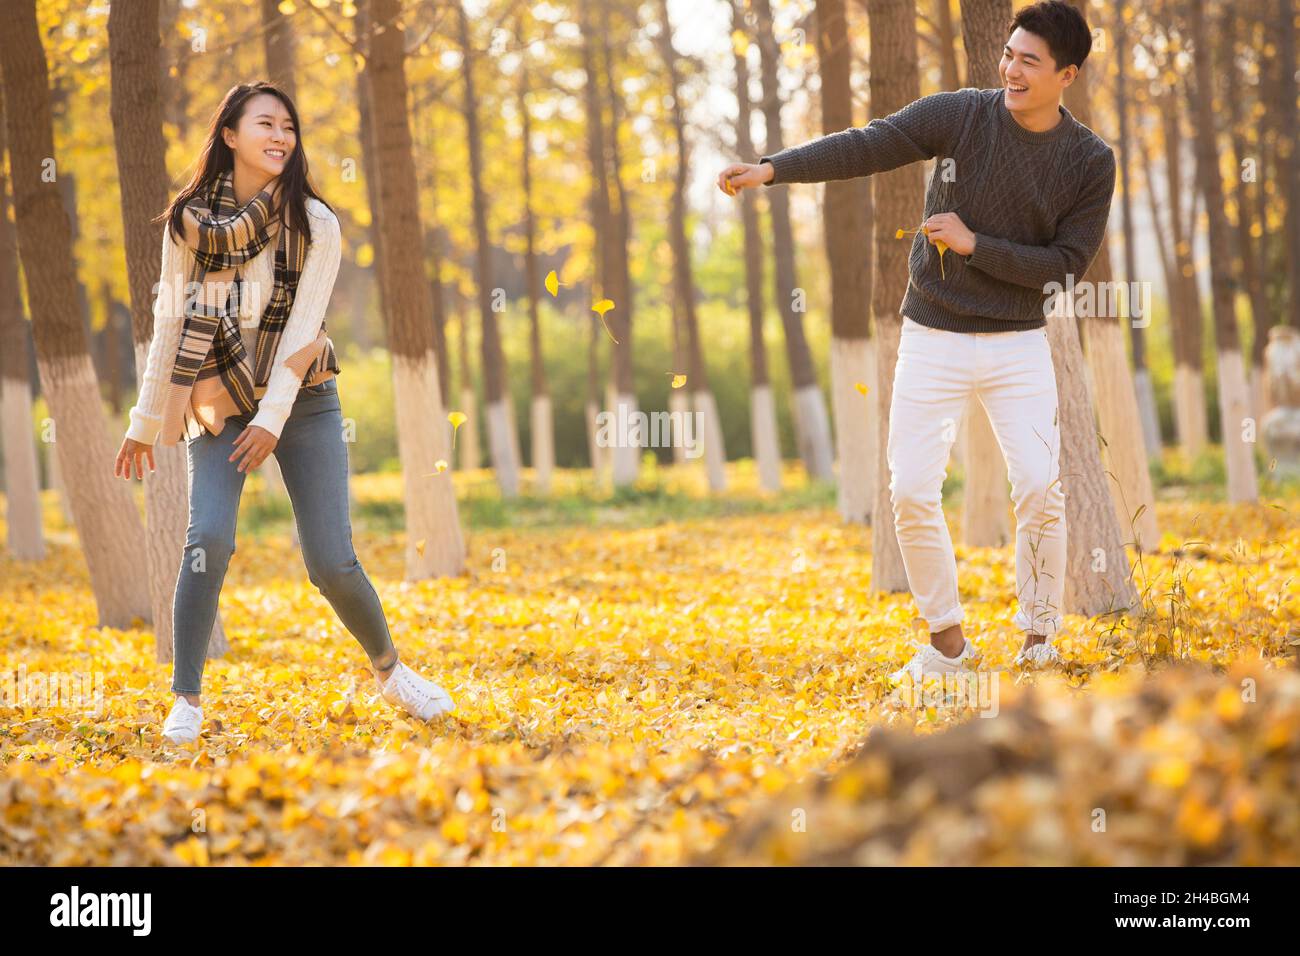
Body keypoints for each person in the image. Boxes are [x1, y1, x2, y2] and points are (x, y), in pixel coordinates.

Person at [715, 1, 1116, 678]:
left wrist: (975, 245)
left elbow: (1064, 268)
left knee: (1042, 488)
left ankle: (1039, 639)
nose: (1011, 69)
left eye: (1030, 62)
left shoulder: (1088, 160)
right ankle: (947, 645)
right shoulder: (960, 114)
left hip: (1020, 344)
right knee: (909, 490)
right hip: (933, 333)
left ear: (1066, 76)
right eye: (1010, 54)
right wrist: (771, 169)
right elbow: (868, 143)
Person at [114, 82, 455, 743]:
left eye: (289, 127)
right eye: (265, 124)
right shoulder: (188, 223)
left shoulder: (315, 223)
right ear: (231, 136)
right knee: (208, 539)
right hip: (221, 403)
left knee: (330, 560)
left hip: (303, 402)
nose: (280, 136)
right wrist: (144, 421)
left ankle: (390, 671)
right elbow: (170, 319)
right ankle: (186, 699)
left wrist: (273, 418)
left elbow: (304, 332)